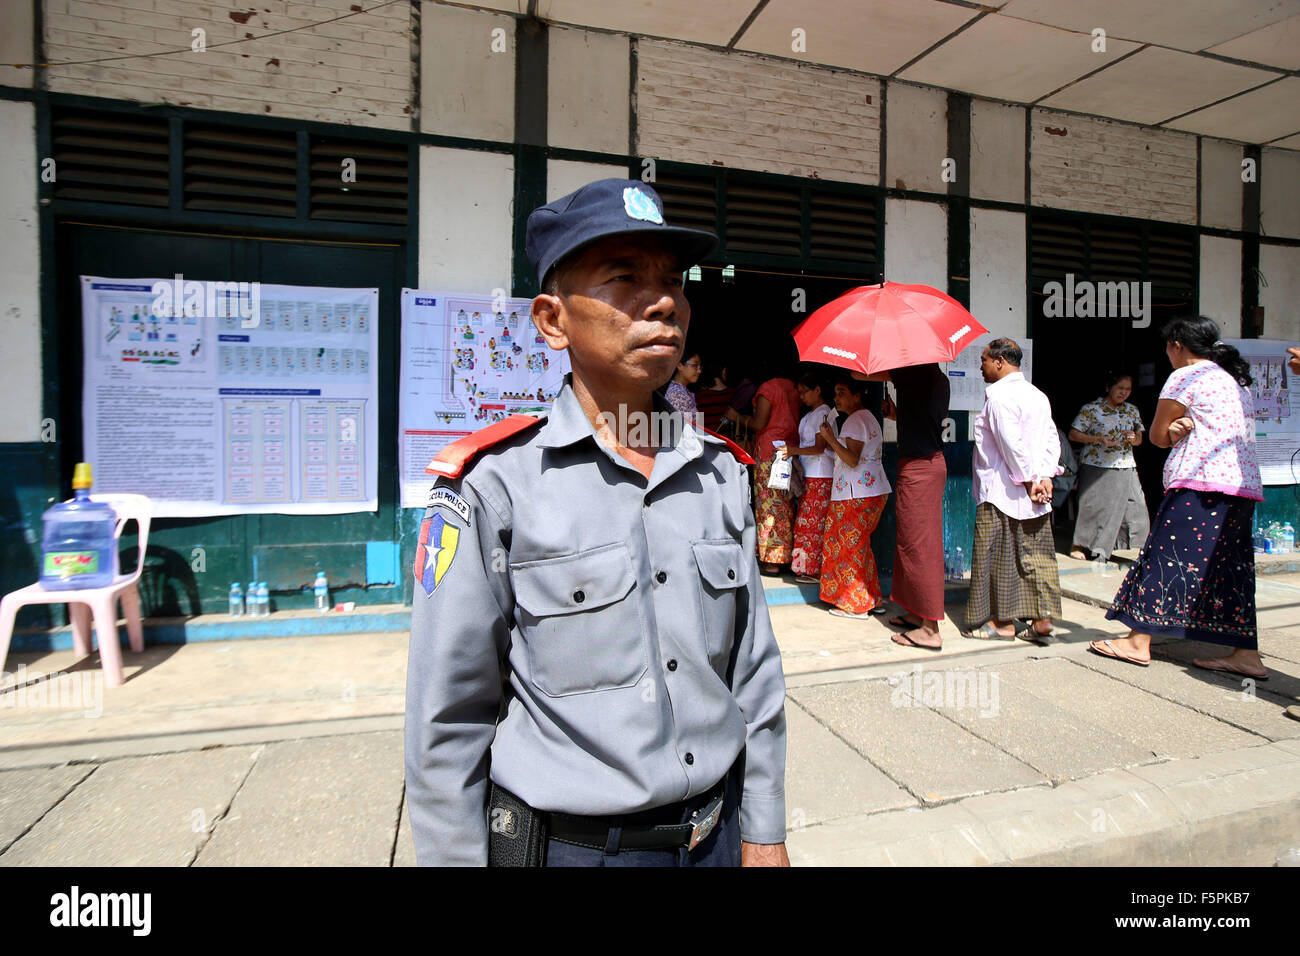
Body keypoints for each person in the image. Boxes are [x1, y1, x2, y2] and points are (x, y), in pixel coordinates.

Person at [404, 178, 788, 867]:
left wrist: (764, 827)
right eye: (624, 277)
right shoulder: (495, 487)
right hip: (579, 851)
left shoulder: (721, 471)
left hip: (717, 840)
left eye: (673, 279)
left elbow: (753, 672)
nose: (664, 299)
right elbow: (447, 719)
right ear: (553, 320)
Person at [1090, 316, 1266, 679]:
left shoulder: (1186, 376)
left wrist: (1174, 430)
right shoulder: (1236, 382)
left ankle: (1138, 641)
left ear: (1176, 345)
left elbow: (1156, 437)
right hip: (1242, 487)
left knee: (1165, 558)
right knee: (1232, 569)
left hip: (1199, 484)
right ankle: (1246, 654)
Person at [965, 338, 1063, 643]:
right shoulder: (1038, 395)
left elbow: (1011, 446)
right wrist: (1044, 476)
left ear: (999, 362)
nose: (980, 367)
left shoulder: (999, 398)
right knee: (1037, 557)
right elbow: (1051, 439)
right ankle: (1042, 620)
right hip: (1035, 493)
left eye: (983, 360)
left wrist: (1030, 479)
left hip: (1003, 493)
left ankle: (1003, 623)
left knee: (998, 558)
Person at [861, 363, 950, 651]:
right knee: (909, 544)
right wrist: (896, 414)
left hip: (920, 468)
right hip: (925, 464)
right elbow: (922, 421)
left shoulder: (916, 373)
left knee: (920, 548)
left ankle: (929, 628)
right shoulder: (938, 379)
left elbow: (861, 374)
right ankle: (915, 612)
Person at [817, 377, 891, 619]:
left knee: (846, 547)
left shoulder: (854, 420)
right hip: (871, 491)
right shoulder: (869, 418)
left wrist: (829, 439)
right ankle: (871, 598)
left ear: (857, 395)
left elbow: (851, 459)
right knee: (860, 547)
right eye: (835, 392)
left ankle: (854, 604)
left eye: (842, 392)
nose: (836, 398)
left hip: (854, 493)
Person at [724, 358, 800, 574]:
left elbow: (759, 423)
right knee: (784, 505)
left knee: (768, 506)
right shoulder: (793, 389)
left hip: (769, 454)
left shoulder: (769, 388)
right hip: (790, 450)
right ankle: (785, 555)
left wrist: (738, 416)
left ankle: (771, 559)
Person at [1068, 372, 1150, 561]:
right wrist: (1098, 439)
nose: (1123, 393)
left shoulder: (1132, 410)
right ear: (1108, 388)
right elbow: (1074, 434)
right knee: (1092, 507)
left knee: (1136, 507)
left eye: (1127, 389)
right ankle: (1078, 544)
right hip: (1096, 464)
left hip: (1125, 464)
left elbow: (1139, 439)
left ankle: (1138, 548)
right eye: (1120, 388)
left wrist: (1133, 438)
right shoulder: (1092, 408)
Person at [780, 370, 837, 583]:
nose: (801, 396)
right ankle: (806, 568)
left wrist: (793, 451)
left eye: (805, 392)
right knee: (806, 521)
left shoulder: (823, 413)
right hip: (811, 474)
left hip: (820, 475)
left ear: (818, 390)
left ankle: (812, 569)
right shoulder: (812, 414)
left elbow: (819, 448)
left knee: (812, 522)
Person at [694, 360, 736, 431]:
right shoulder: (732, 394)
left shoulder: (699, 396)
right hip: (727, 439)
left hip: (706, 438)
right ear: (724, 371)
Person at [665, 350, 701, 419]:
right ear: (679, 365)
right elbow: (679, 428)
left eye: (699, 366)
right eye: (695, 365)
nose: (699, 371)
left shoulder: (682, 390)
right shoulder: (677, 395)